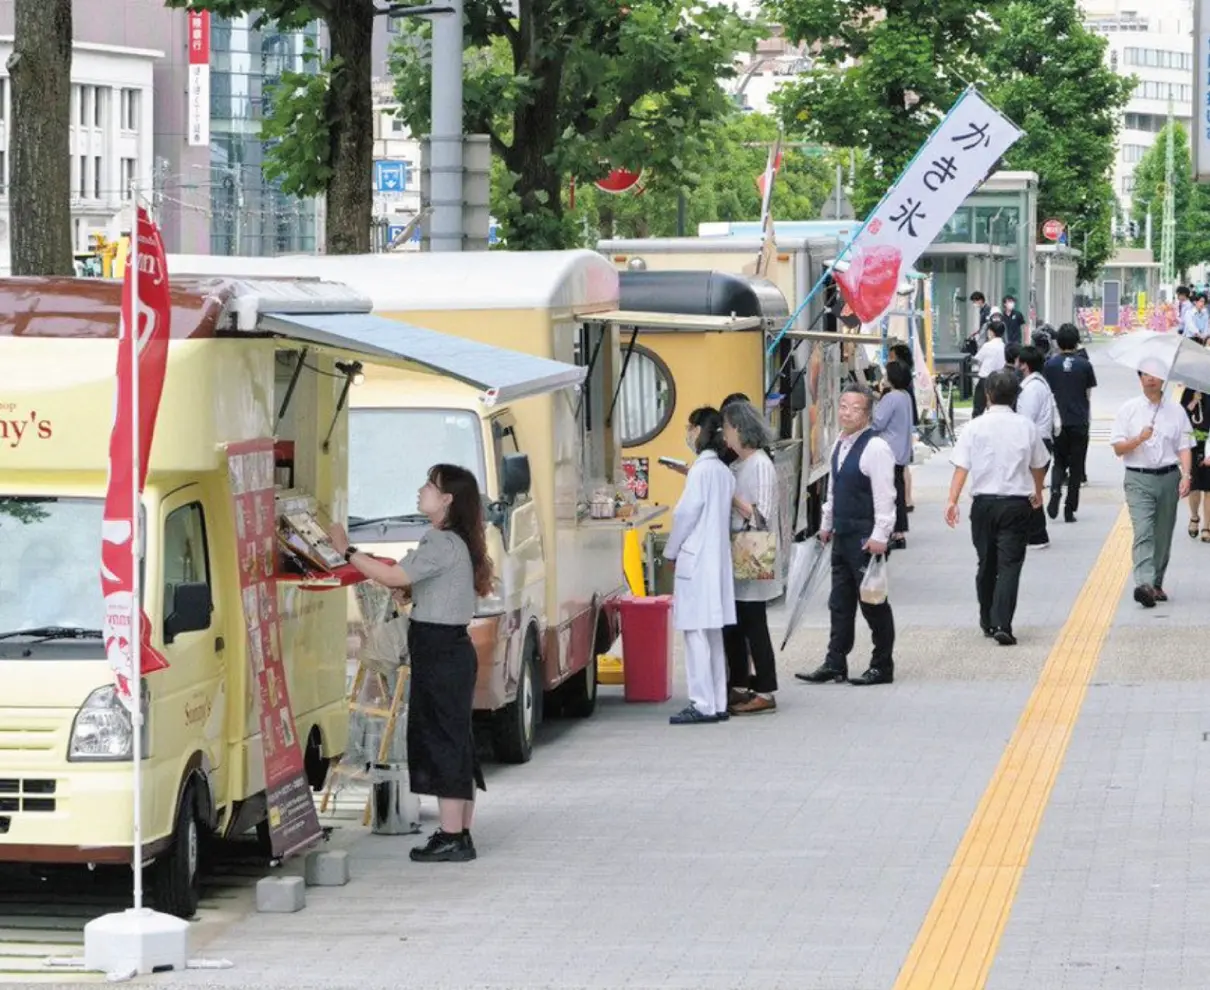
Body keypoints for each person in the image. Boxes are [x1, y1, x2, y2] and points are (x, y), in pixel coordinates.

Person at [328, 463, 492, 863]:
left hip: (440, 650)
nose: (421, 491)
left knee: (442, 740)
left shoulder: (442, 542)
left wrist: (345, 550)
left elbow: (392, 576)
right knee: (454, 739)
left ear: (447, 499)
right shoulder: (452, 540)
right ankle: (460, 831)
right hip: (449, 649)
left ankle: (453, 837)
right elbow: (416, 584)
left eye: (429, 486)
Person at [796, 385, 896, 686]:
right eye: (842, 406)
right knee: (839, 602)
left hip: (866, 537)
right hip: (841, 534)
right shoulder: (840, 442)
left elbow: (886, 495)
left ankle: (882, 665)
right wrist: (826, 524)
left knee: (873, 602)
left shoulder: (876, 447)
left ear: (867, 414)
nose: (846, 412)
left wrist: (881, 534)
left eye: (854, 408)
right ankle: (835, 662)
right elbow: (833, 489)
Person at [945, 370, 1050, 646]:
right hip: (1016, 504)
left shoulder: (974, 426)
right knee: (1010, 565)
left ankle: (987, 619)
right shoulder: (1027, 426)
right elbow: (1039, 464)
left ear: (988, 395)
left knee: (986, 563)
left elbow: (961, 468)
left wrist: (952, 501)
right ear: (1016, 396)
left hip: (983, 505)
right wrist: (1038, 492)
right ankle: (1003, 622)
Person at [664, 407, 736, 724]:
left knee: (694, 633)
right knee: (713, 634)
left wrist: (670, 550)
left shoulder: (700, 472)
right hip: (717, 562)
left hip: (696, 559)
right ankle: (718, 700)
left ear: (698, 431)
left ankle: (702, 702)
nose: (688, 433)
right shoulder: (723, 471)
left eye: (690, 428)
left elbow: (684, 515)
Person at [1112, 366, 1194, 607]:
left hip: (1169, 476)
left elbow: (1184, 446)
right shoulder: (1128, 409)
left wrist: (1186, 475)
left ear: (1163, 379)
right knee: (1144, 530)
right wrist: (1139, 439)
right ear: (1139, 378)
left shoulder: (1176, 411)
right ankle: (1144, 583)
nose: (1150, 378)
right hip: (1138, 478)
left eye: (1155, 374)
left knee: (1163, 533)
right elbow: (1118, 448)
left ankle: (1156, 582)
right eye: (1145, 374)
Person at [721, 400, 781, 716]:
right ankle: (740, 683)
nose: (725, 434)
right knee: (736, 620)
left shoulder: (759, 464)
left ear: (741, 429)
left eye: (728, 428)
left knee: (753, 620)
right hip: (738, 545)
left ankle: (766, 689)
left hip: (753, 545)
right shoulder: (736, 465)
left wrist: (730, 497)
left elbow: (762, 515)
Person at [1043, 324, 1097, 523]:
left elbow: (1047, 392)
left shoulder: (1050, 364)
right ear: (1076, 342)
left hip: (1058, 422)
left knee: (1059, 461)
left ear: (1058, 342)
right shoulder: (1085, 364)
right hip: (1079, 421)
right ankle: (1069, 508)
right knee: (1076, 466)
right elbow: (1088, 394)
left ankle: (1056, 490)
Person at [1015, 346, 1058, 550]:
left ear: (1024, 365)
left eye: (1018, 362)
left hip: (1036, 441)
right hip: (1040, 440)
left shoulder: (1032, 388)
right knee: (1031, 487)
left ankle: (1038, 535)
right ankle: (1034, 534)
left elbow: (1026, 420)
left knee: (1031, 488)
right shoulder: (1039, 384)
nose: (1015, 365)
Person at [873, 360, 914, 549]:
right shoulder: (905, 396)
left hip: (888, 451)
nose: (884, 378)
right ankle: (899, 532)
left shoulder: (891, 398)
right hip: (901, 450)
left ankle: (893, 532)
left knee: (889, 494)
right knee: (897, 492)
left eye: (886, 375)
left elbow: (878, 423)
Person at [1179, 348, 1210, 541]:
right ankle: (1194, 516)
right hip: (1192, 443)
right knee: (1194, 485)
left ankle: (1208, 526)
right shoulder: (1189, 391)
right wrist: (1193, 402)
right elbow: (1181, 416)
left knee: (1209, 487)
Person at [889, 342, 918, 514]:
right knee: (904, 463)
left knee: (902, 464)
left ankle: (907, 498)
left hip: (901, 424)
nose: (889, 360)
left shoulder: (900, 375)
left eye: (891, 356)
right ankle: (908, 498)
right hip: (907, 421)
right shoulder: (906, 373)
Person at [971, 319, 1007, 417]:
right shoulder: (1004, 347)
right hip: (1000, 380)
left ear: (991, 332)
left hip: (985, 380)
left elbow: (977, 359)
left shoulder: (987, 346)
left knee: (979, 407)